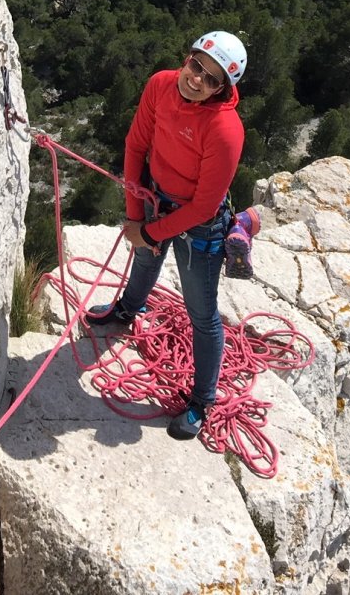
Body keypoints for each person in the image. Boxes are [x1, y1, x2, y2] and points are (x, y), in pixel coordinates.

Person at [86, 30, 248, 440]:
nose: (196, 79)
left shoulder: (225, 129)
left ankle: (202, 401)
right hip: (157, 196)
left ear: (221, 89)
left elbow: (204, 208)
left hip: (200, 222)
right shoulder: (161, 83)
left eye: (211, 79)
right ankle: (128, 308)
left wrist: (149, 230)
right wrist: (136, 216)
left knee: (201, 313)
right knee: (144, 257)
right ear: (187, 56)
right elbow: (135, 145)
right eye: (196, 66)